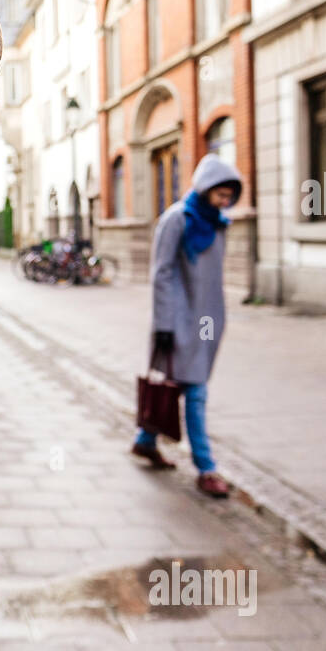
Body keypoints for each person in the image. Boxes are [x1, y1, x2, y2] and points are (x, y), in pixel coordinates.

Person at [131, 153, 242, 498]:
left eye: (229, 196)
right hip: (178, 322)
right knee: (195, 393)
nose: (225, 201)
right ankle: (206, 469)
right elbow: (161, 273)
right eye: (220, 194)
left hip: (207, 320)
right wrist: (165, 325)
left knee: (176, 386)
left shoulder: (218, 223)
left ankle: (145, 441)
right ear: (205, 188)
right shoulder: (177, 219)